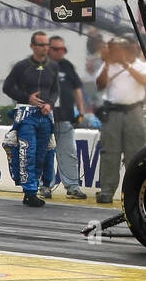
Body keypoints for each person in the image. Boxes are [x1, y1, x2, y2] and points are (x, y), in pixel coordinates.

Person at [1, 30, 61, 207]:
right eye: (41, 45)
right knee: (28, 152)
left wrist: (50, 104)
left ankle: (35, 188)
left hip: (45, 116)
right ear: (32, 46)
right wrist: (27, 98)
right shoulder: (22, 66)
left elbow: (55, 90)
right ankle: (29, 191)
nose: (45, 48)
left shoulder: (53, 66)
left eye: (47, 45)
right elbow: (7, 87)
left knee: (42, 154)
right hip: (26, 116)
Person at [92, 37, 146, 204]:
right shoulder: (108, 65)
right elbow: (100, 85)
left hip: (134, 112)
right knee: (109, 153)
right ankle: (106, 192)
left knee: (135, 154)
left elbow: (144, 81)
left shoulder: (141, 65)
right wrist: (108, 63)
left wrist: (125, 64)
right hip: (113, 113)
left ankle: (134, 192)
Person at [40, 36, 87, 199]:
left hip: (65, 117)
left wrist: (81, 111)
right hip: (45, 116)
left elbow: (77, 88)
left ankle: (73, 187)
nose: (61, 52)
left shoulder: (67, 66)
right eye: (56, 49)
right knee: (45, 153)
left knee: (69, 153)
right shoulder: (41, 65)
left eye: (63, 49)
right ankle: (45, 185)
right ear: (48, 49)